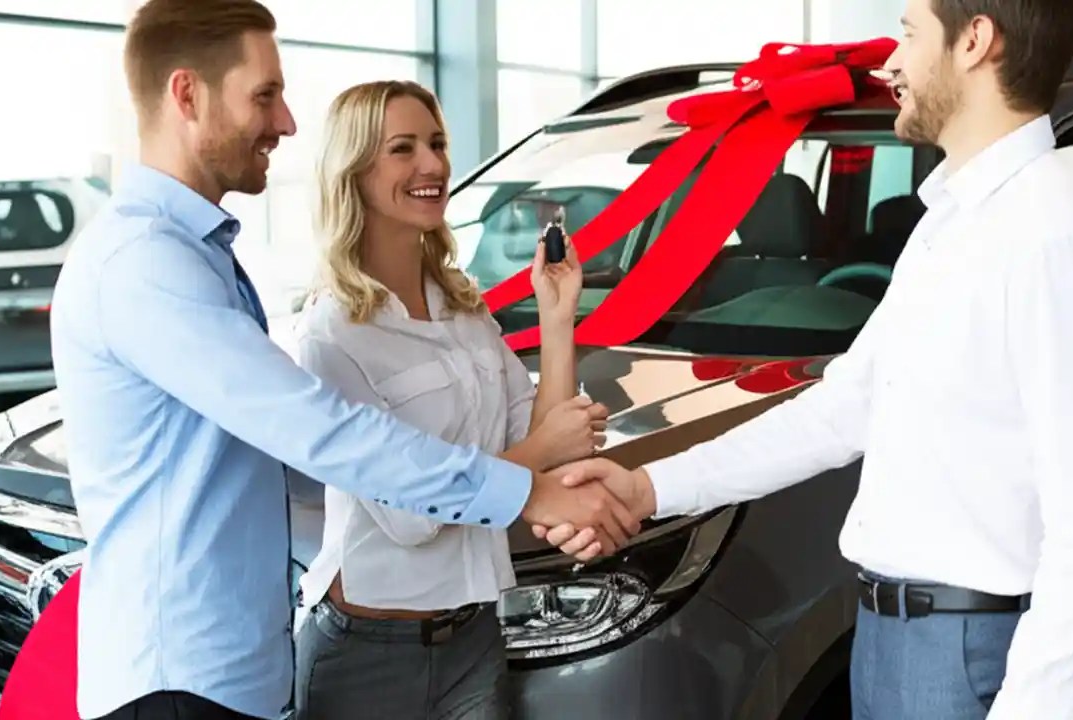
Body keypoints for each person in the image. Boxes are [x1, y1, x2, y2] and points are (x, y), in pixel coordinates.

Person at [536, 1, 1073, 718]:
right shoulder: (953, 223)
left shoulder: (1053, 238)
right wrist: (648, 490)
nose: (891, 61)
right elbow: (842, 408)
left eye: (911, 35)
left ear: (975, 41)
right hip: (896, 640)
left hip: (965, 652)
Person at [47, 2, 636, 719]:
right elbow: (324, 434)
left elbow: (291, 470)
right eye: (264, 95)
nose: (287, 122)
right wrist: (532, 485)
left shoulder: (198, 256)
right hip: (180, 681)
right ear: (186, 95)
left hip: (240, 669)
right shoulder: (145, 264)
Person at [289, 80, 602, 719]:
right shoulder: (332, 334)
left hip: (475, 637)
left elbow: (539, 435)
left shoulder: (460, 304)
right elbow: (413, 520)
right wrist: (545, 447)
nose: (432, 165)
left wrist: (556, 318)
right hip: (369, 653)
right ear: (354, 173)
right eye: (402, 149)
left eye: (435, 144)